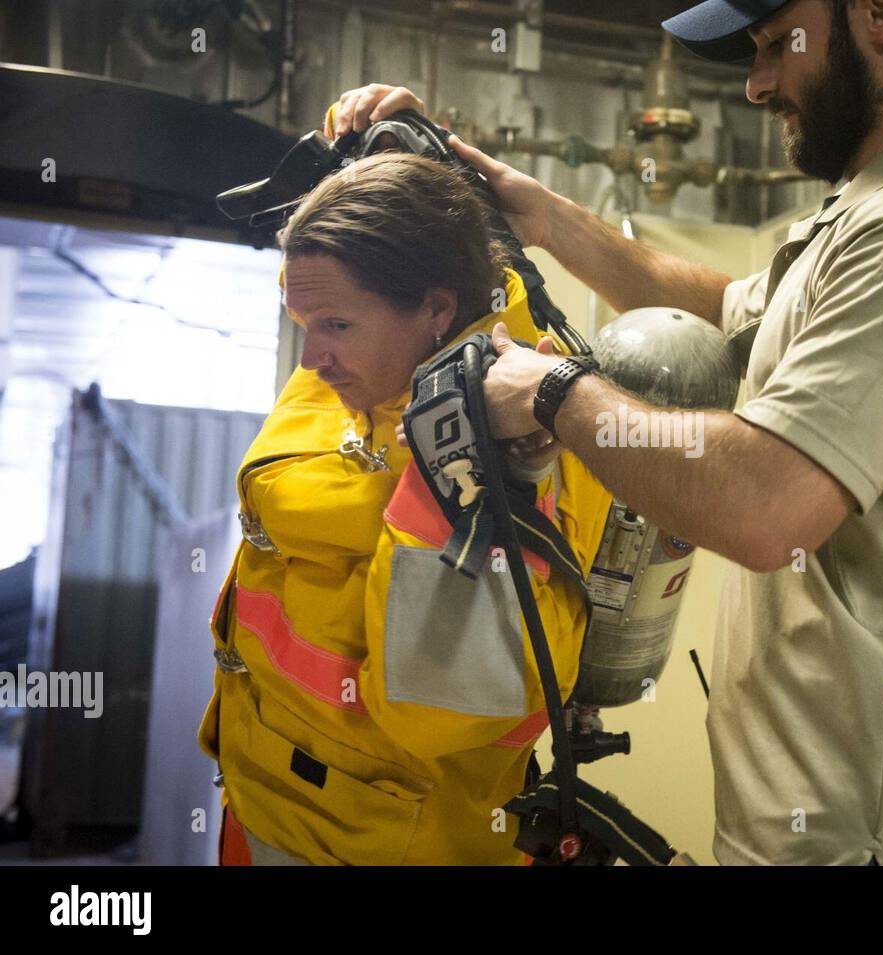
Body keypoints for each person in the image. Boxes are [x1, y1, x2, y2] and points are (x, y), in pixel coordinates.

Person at [346, 0, 883, 865]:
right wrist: (538, 213)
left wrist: (554, 392)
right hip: (804, 821)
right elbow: (717, 306)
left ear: (880, 13)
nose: (756, 84)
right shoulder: (869, 218)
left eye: (771, 46)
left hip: (874, 837)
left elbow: (767, 503)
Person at [198, 148, 612, 865]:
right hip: (257, 799)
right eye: (302, 321)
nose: (310, 358)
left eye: (334, 326)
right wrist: (393, 156)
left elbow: (446, 704)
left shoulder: (523, 433)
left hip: (374, 847)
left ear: (436, 309)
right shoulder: (372, 353)